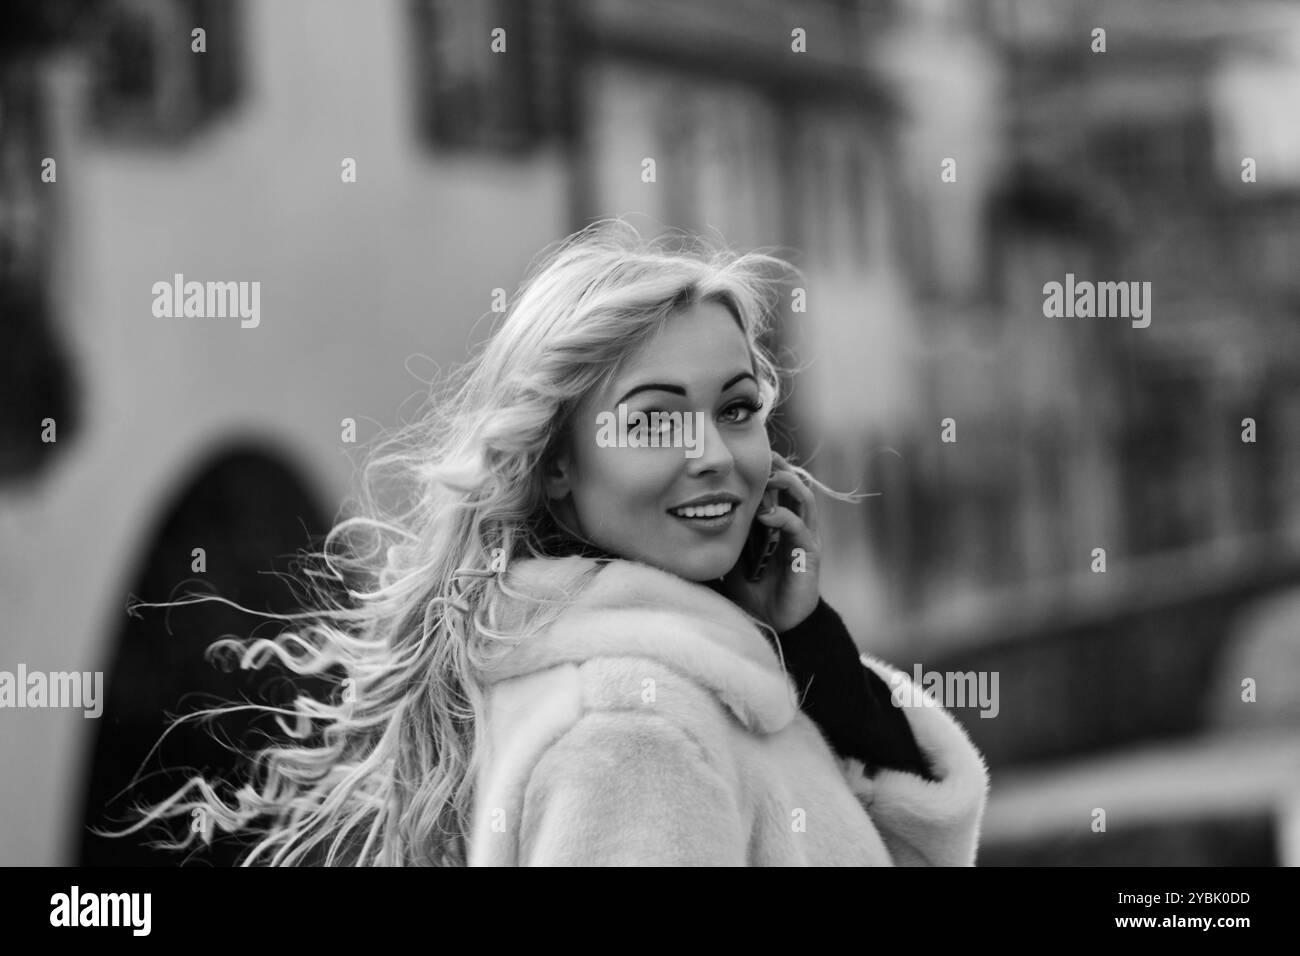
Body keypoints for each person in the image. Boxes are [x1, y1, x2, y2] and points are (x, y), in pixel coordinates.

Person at [116, 218, 989, 865]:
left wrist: (816, 660)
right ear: (557, 464)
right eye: (655, 421)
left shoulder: (685, 687)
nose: (715, 456)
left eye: (735, 409)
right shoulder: (632, 728)